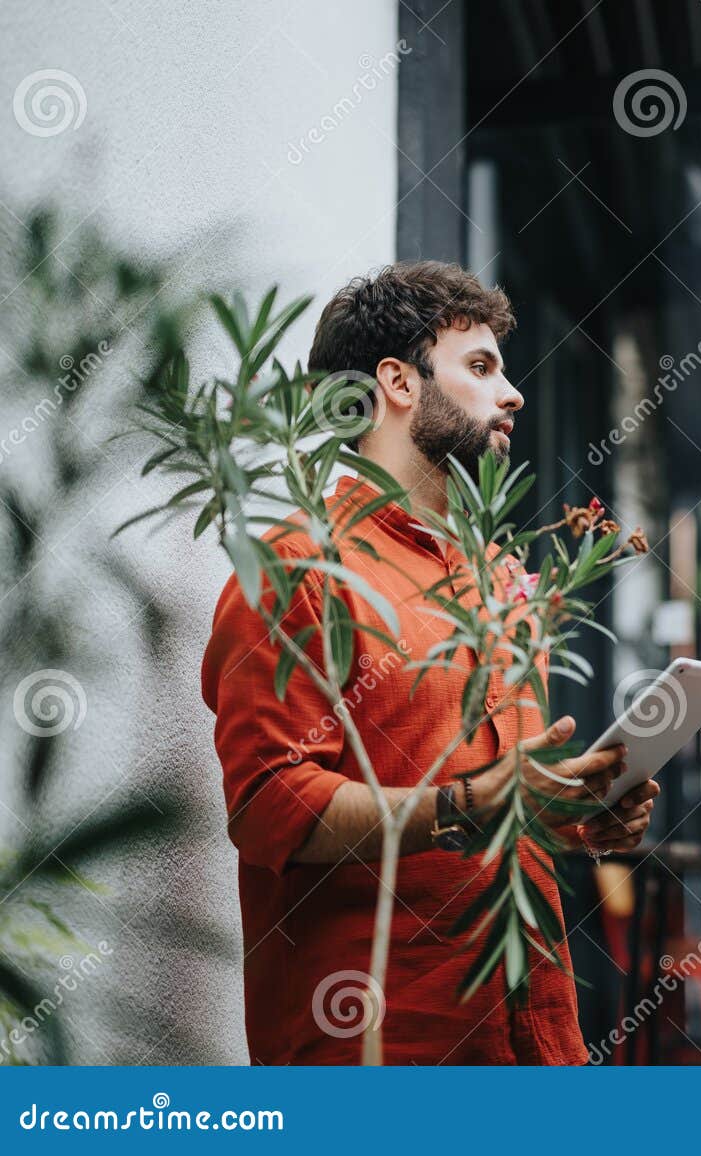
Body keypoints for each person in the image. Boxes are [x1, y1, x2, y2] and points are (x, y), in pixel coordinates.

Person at [200, 261, 658, 1064]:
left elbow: (502, 796)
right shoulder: (301, 570)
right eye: (480, 368)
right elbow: (269, 806)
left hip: (536, 1041)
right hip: (383, 1051)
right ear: (397, 382)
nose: (512, 393)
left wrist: (576, 816)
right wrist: (468, 801)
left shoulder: (501, 582)